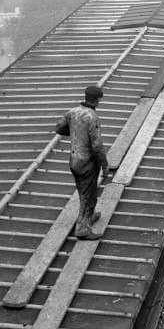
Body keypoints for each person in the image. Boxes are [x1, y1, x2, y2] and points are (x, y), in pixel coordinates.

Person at [55, 84, 109, 240]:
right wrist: (105, 166)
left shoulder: (72, 112)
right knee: (89, 195)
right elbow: (97, 146)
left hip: (74, 161)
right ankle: (82, 229)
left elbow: (59, 128)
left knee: (83, 192)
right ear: (97, 100)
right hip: (87, 163)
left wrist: (75, 132)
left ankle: (89, 216)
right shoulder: (92, 116)